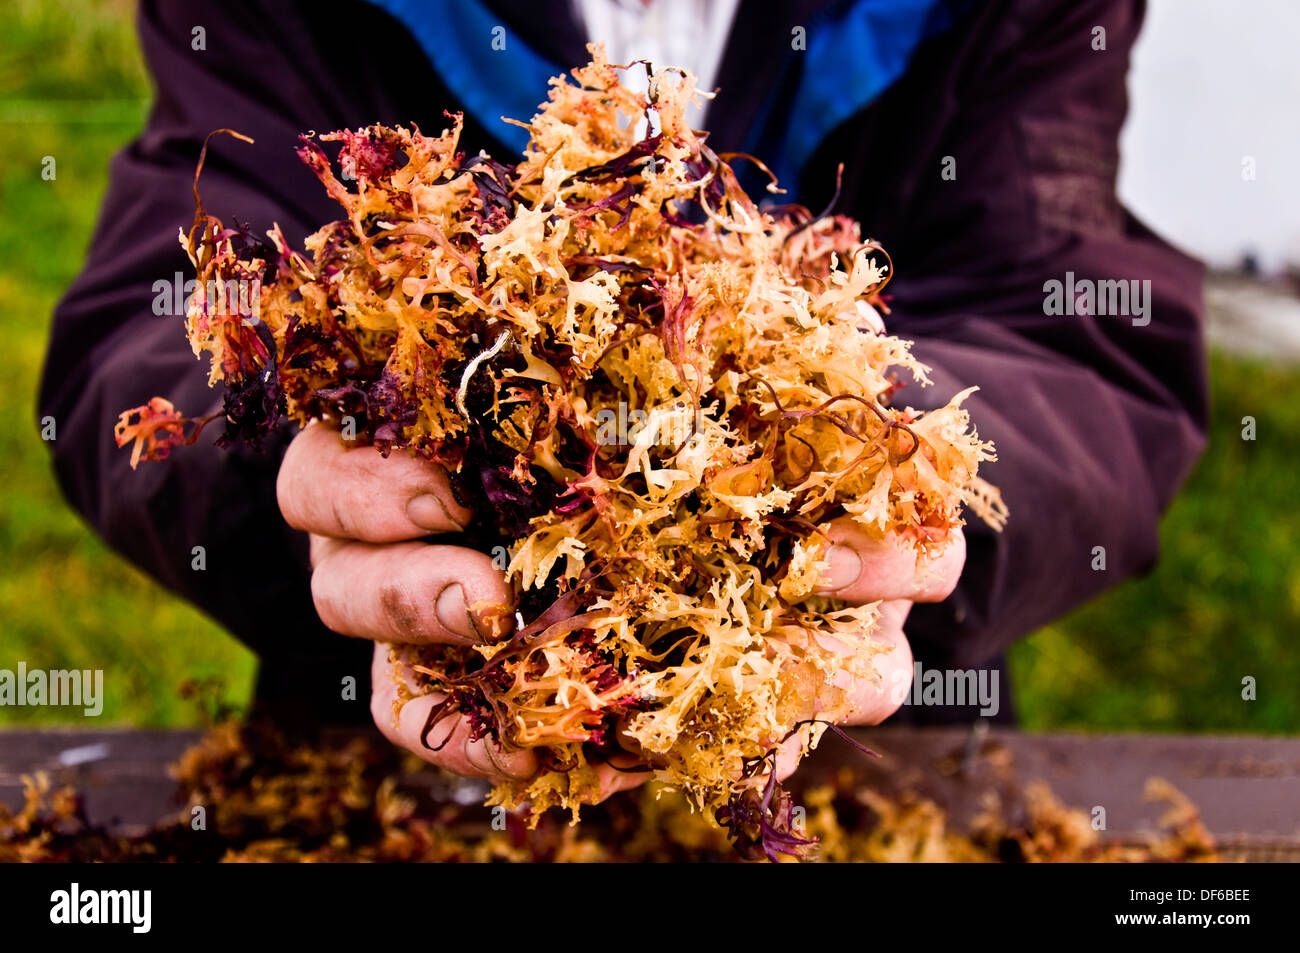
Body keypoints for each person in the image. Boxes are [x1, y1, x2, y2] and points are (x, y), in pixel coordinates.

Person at [39, 0, 1207, 793]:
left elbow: (1070, 331)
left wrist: (887, 472)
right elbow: (147, 326)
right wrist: (300, 467)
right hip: (401, 745)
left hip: (861, 755)